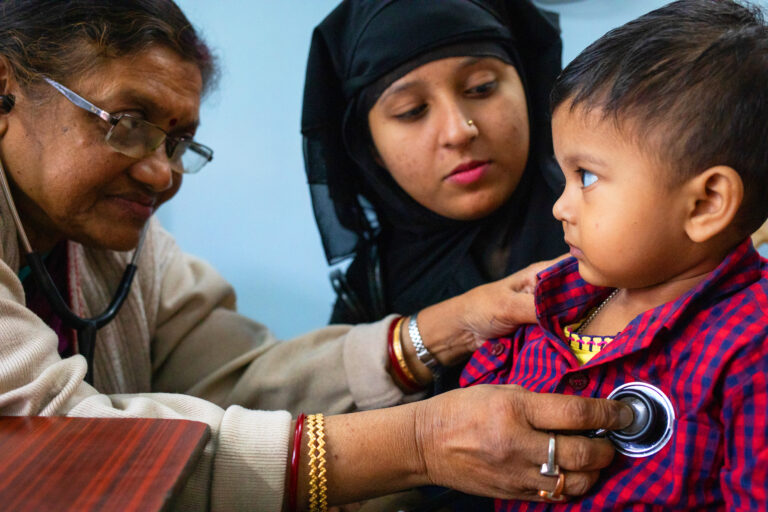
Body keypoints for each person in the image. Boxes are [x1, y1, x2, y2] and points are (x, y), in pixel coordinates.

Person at [0, 1, 634, 511]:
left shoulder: (633, 243)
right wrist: (419, 442)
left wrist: (441, 327)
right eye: (127, 121)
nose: (161, 172)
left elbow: (238, 381)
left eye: (178, 141)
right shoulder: (373, 280)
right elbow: (57, 444)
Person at [461, 0, 768, 509]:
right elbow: (469, 422)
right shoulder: (549, 303)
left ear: (706, 204)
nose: (561, 206)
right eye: (564, 176)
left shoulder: (750, 346)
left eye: (587, 177)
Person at [301, 0, 567, 329]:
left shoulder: (612, 229)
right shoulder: (370, 302)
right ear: (372, 150)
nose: (458, 132)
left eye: (480, 87)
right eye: (411, 110)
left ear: (528, 89)